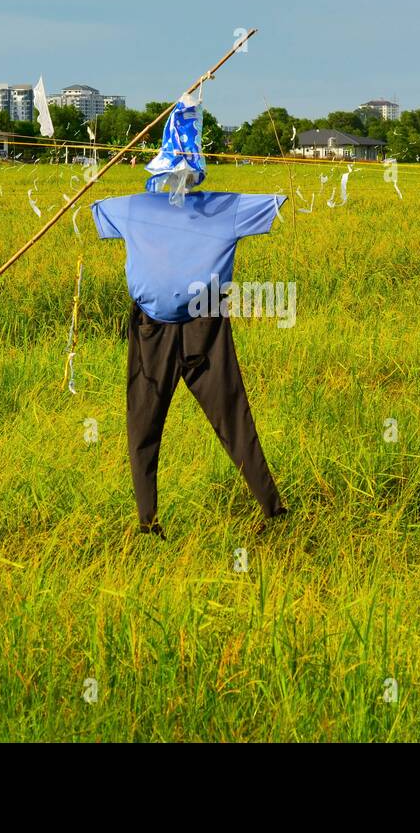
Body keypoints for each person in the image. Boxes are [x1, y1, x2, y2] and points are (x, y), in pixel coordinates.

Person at [90, 99, 288, 539]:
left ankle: (274, 512)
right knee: (143, 421)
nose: (178, 182)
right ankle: (147, 523)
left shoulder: (221, 207)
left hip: (206, 323)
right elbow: (92, 208)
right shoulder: (133, 208)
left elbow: (280, 199)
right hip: (151, 326)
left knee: (232, 415)